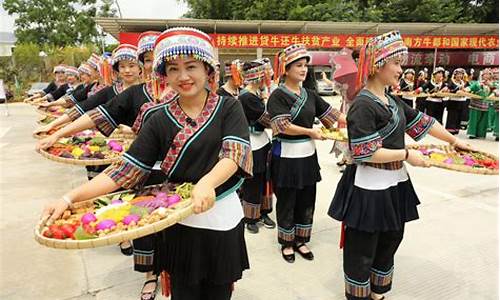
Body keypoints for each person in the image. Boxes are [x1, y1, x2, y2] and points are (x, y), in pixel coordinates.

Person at [41, 27, 251, 300]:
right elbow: (125, 170)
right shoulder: (159, 117)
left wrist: (207, 183)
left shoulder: (228, 107)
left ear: (208, 70)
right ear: (164, 74)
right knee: (184, 292)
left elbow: (233, 154)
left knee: (218, 292)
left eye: (191, 67)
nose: (183, 76)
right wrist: (69, 198)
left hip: (221, 216)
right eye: (173, 69)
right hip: (178, 220)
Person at [327, 30, 474, 300]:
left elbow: (424, 122)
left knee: (391, 238)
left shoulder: (393, 102)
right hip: (368, 186)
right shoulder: (363, 105)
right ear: (378, 65)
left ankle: (378, 292)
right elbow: (364, 153)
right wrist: (406, 155)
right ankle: (358, 294)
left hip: (395, 182)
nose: (401, 69)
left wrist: (454, 141)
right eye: (396, 63)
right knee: (363, 246)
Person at [267, 44, 345, 263]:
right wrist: (310, 131)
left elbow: (332, 115)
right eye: (298, 66)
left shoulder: (310, 94)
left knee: (307, 198)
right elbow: (282, 126)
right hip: (285, 156)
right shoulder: (277, 96)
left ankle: (301, 240)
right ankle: (286, 242)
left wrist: (359, 121)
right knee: (287, 200)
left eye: (305, 66)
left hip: (307, 156)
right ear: (286, 68)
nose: (303, 70)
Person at [239, 59, 276, 234]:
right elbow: (267, 119)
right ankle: (251, 217)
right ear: (259, 77)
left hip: (262, 142)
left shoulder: (254, 95)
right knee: (253, 182)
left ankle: (263, 212)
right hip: (253, 144)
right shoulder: (246, 97)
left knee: (264, 180)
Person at [466, 68, 497, 140]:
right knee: (474, 119)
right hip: (475, 104)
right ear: (482, 75)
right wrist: (465, 90)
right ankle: (472, 133)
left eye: (488, 74)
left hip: (486, 105)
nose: (486, 76)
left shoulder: (492, 85)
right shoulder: (477, 83)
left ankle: (481, 134)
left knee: (483, 120)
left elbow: (496, 89)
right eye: (485, 74)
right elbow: (470, 88)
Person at [445, 68, 467, 135]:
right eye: (458, 74)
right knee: (452, 115)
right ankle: (450, 129)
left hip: (461, 101)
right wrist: (456, 91)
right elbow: (448, 89)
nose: (459, 76)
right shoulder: (451, 81)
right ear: (455, 75)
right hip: (453, 101)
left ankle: (456, 129)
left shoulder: (463, 83)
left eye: (461, 74)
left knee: (458, 116)